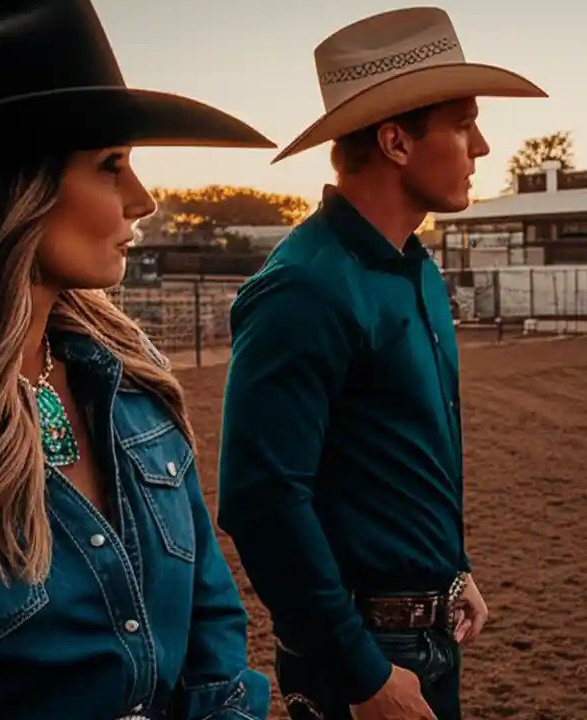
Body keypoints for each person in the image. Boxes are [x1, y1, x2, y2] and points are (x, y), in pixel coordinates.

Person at [0, 1, 276, 718]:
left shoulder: (132, 382)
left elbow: (212, 624)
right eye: (111, 165)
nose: (143, 199)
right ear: (7, 192)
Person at [217, 7, 546, 720]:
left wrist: (447, 574)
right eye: (463, 124)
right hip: (360, 658)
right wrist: (362, 672)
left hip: (428, 635)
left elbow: (397, 459)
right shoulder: (304, 287)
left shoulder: (416, 273)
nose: (482, 146)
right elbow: (263, 500)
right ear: (395, 141)